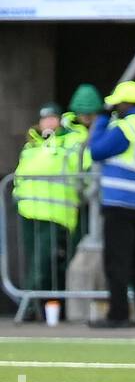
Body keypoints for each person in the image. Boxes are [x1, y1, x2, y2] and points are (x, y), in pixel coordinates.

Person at [87, 81, 135, 328]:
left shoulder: (125, 127)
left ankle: (118, 315)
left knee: (117, 262)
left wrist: (101, 120)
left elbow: (96, 151)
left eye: (116, 103)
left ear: (125, 103)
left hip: (121, 202)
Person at [13, 103, 80, 303]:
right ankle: (35, 308)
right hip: (28, 211)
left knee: (43, 265)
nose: (48, 122)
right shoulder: (31, 145)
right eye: (45, 119)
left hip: (55, 212)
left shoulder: (70, 141)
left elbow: (80, 168)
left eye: (52, 118)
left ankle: (30, 307)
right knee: (34, 262)